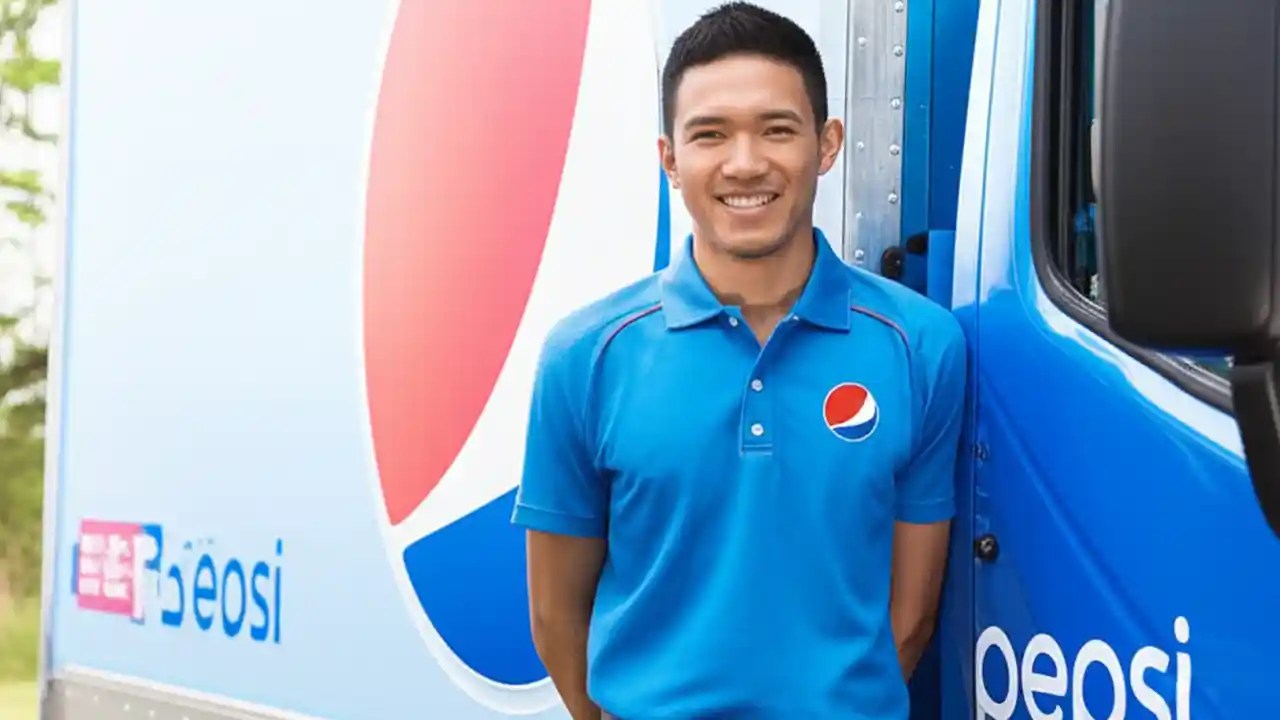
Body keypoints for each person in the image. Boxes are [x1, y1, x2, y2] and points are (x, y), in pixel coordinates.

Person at [511, 3, 967, 718]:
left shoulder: (921, 345)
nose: (745, 163)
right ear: (670, 158)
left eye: (777, 129)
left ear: (828, 144)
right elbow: (554, 618)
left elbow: (910, 620)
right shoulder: (586, 356)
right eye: (710, 134)